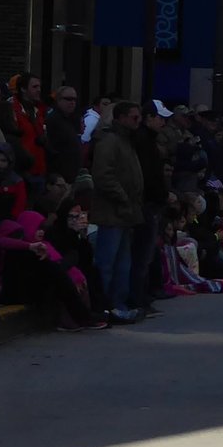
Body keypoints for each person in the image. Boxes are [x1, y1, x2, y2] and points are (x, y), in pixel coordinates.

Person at [88, 101, 146, 324]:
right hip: (112, 211)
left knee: (123, 262)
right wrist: (122, 197)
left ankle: (118, 305)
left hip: (125, 212)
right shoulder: (109, 141)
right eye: (134, 117)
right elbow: (103, 175)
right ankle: (103, 306)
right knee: (107, 262)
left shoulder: (125, 141)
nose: (137, 121)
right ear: (121, 117)